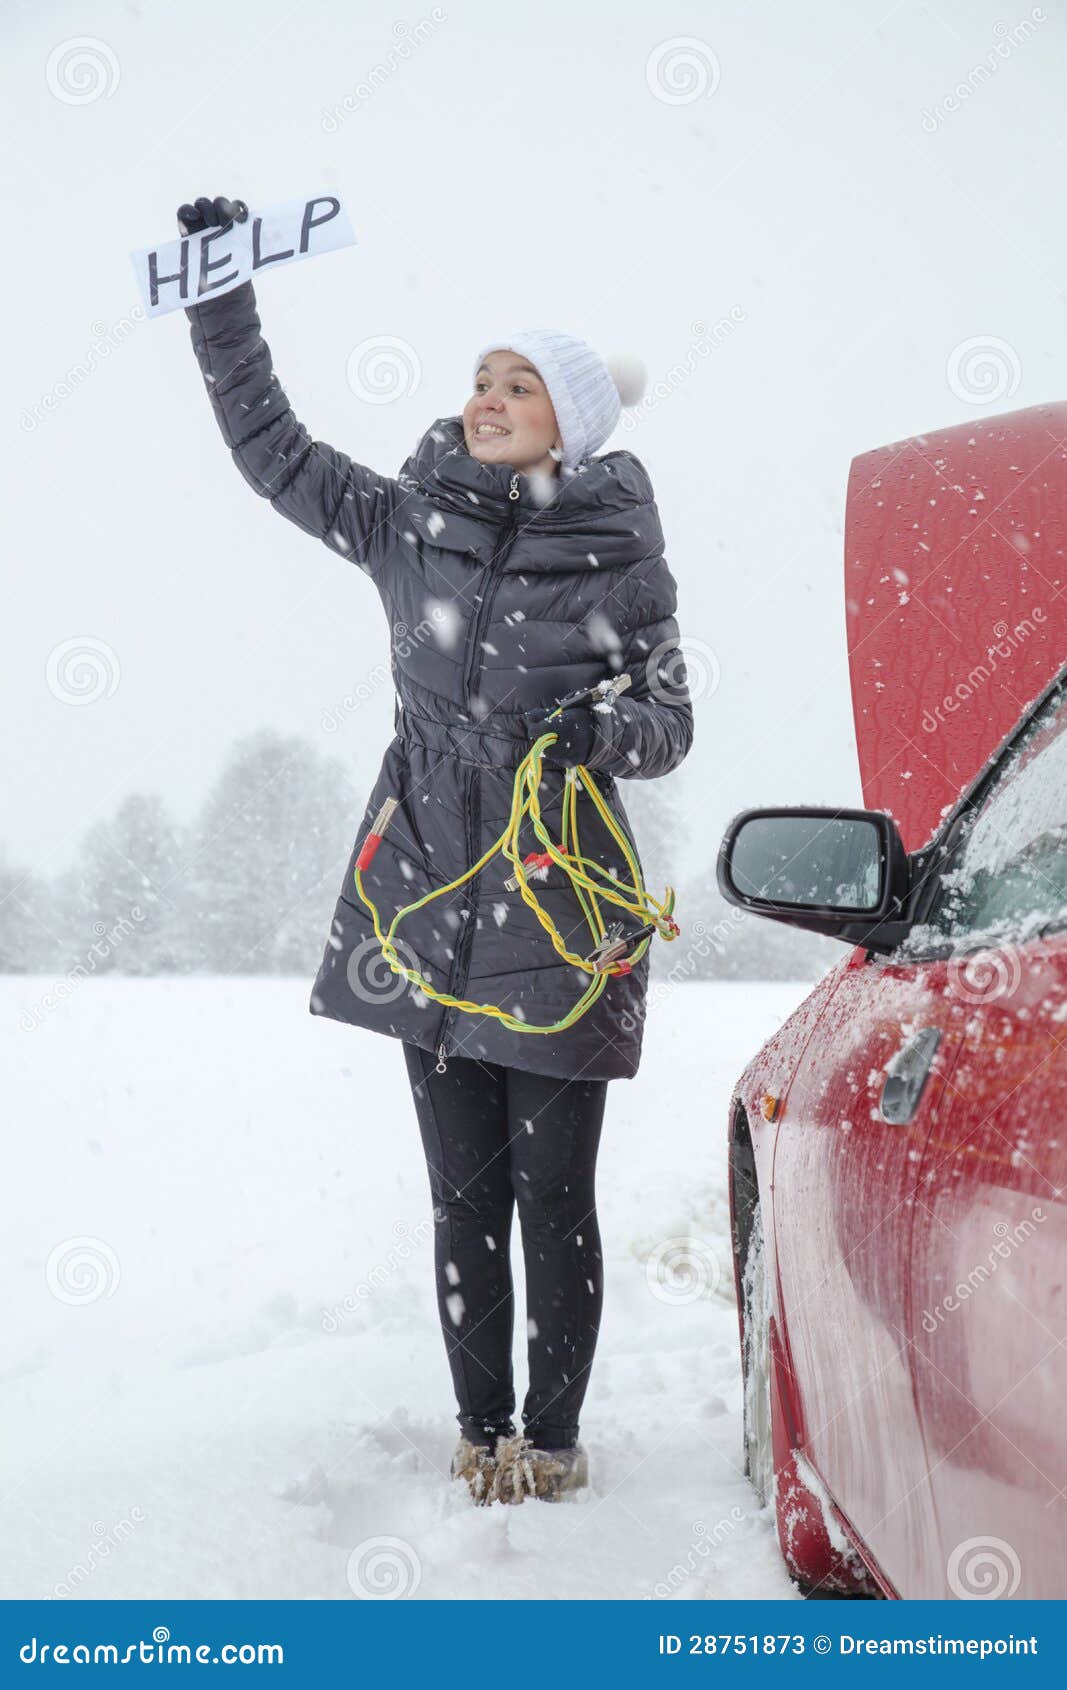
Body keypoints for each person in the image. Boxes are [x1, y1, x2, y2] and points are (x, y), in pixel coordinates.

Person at [177, 194, 694, 1506]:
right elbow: (274, 451)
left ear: (571, 420)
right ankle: (483, 1430)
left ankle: (555, 1435)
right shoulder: (412, 523)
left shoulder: (621, 555)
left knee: (551, 1194)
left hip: (559, 912)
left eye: (517, 385)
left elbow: (671, 716)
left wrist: (600, 733)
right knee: (463, 1198)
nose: (487, 398)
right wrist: (221, 303)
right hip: (427, 899)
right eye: (480, 378)